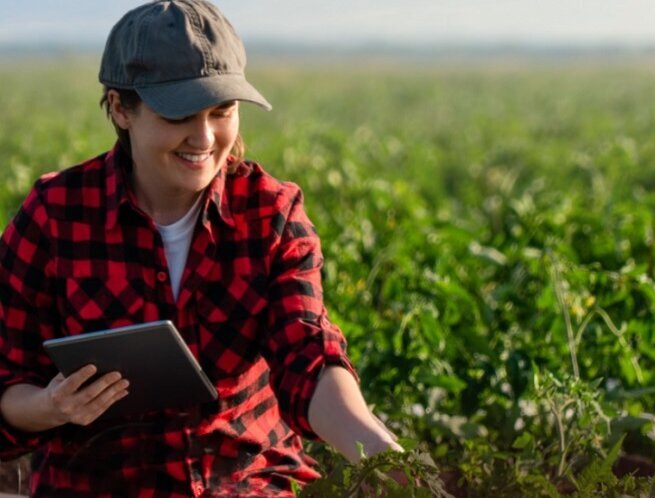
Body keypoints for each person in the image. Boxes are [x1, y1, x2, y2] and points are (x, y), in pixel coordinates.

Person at [0, 0, 402, 496]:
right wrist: (52, 405)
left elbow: (308, 356)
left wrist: (379, 453)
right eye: (180, 115)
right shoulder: (57, 214)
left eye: (222, 111)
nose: (206, 137)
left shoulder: (269, 214)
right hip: (94, 483)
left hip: (240, 482)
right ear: (120, 108)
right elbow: (7, 377)